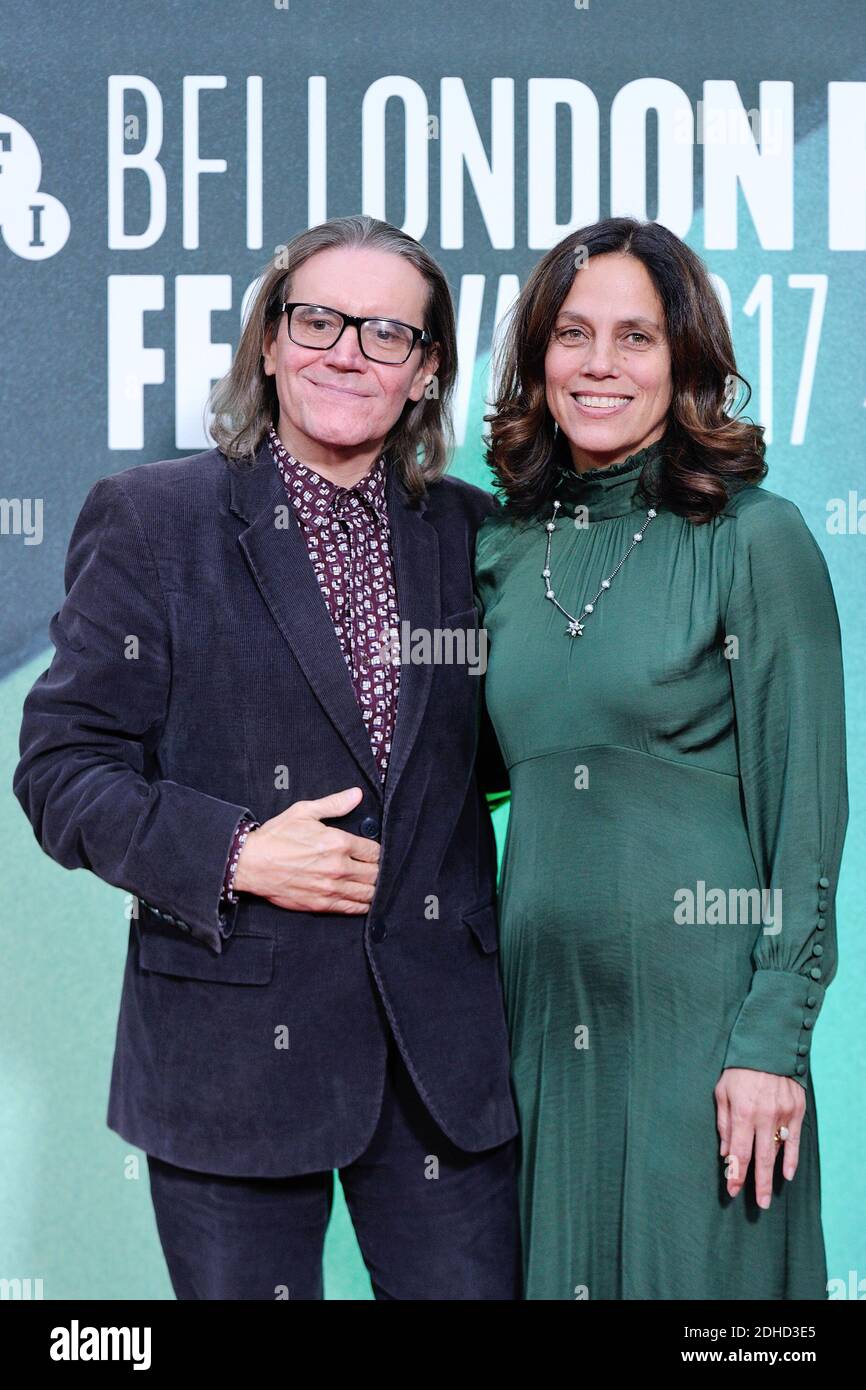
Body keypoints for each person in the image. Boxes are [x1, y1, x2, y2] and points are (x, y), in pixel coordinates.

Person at [14, 214, 520, 1301]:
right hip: (227, 1050)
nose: (346, 351)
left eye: (387, 333)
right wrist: (234, 851)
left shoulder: (479, 537)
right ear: (270, 341)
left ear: (427, 369)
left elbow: (507, 748)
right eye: (318, 319)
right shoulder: (154, 519)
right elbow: (61, 766)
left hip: (443, 1061)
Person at [475, 216, 848, 1300]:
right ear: (537, 357)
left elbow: (805, 804)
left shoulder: (753, 535)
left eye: (634, 338)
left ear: (683, 362)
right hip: (539, 1034)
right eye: (572, 334)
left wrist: (768, 1041)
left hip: (704, 1035)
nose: (598, 365)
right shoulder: (498, 549)